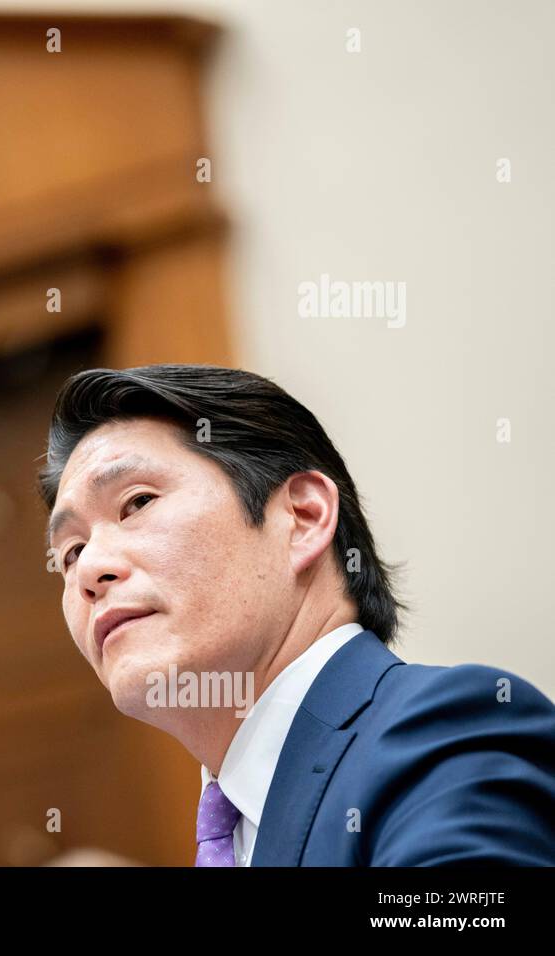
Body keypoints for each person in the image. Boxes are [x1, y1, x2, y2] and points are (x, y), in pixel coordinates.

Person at [39, 364, 555, 865]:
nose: (89, 570)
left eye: (137, 502)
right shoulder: (239, 832)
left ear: (303, 518)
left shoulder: (445, 735)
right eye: (71, 552)